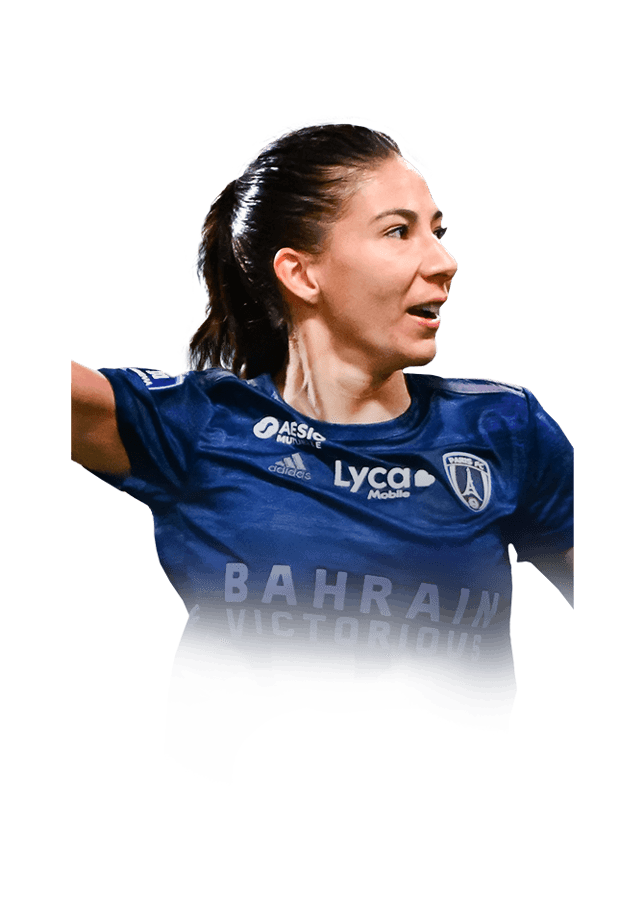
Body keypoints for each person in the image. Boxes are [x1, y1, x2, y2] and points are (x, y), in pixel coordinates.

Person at [71, 123, 574, 789]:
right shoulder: (197, 424)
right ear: (301, 273)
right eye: (398, 231)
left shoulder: (504, 426)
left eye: (438, 231)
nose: (445, 261)